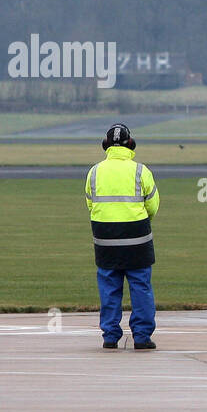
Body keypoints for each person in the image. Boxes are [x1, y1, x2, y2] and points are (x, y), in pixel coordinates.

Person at [85, 123, 160, 350]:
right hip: (137, 239)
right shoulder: (140, 171)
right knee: (140, 286)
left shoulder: (94, 171)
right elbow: (153, 206)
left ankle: (110, 335)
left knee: (109, 285)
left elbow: (90, 204)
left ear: (105, 145)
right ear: (131, 144)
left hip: (105, 239)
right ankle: (142, 337)